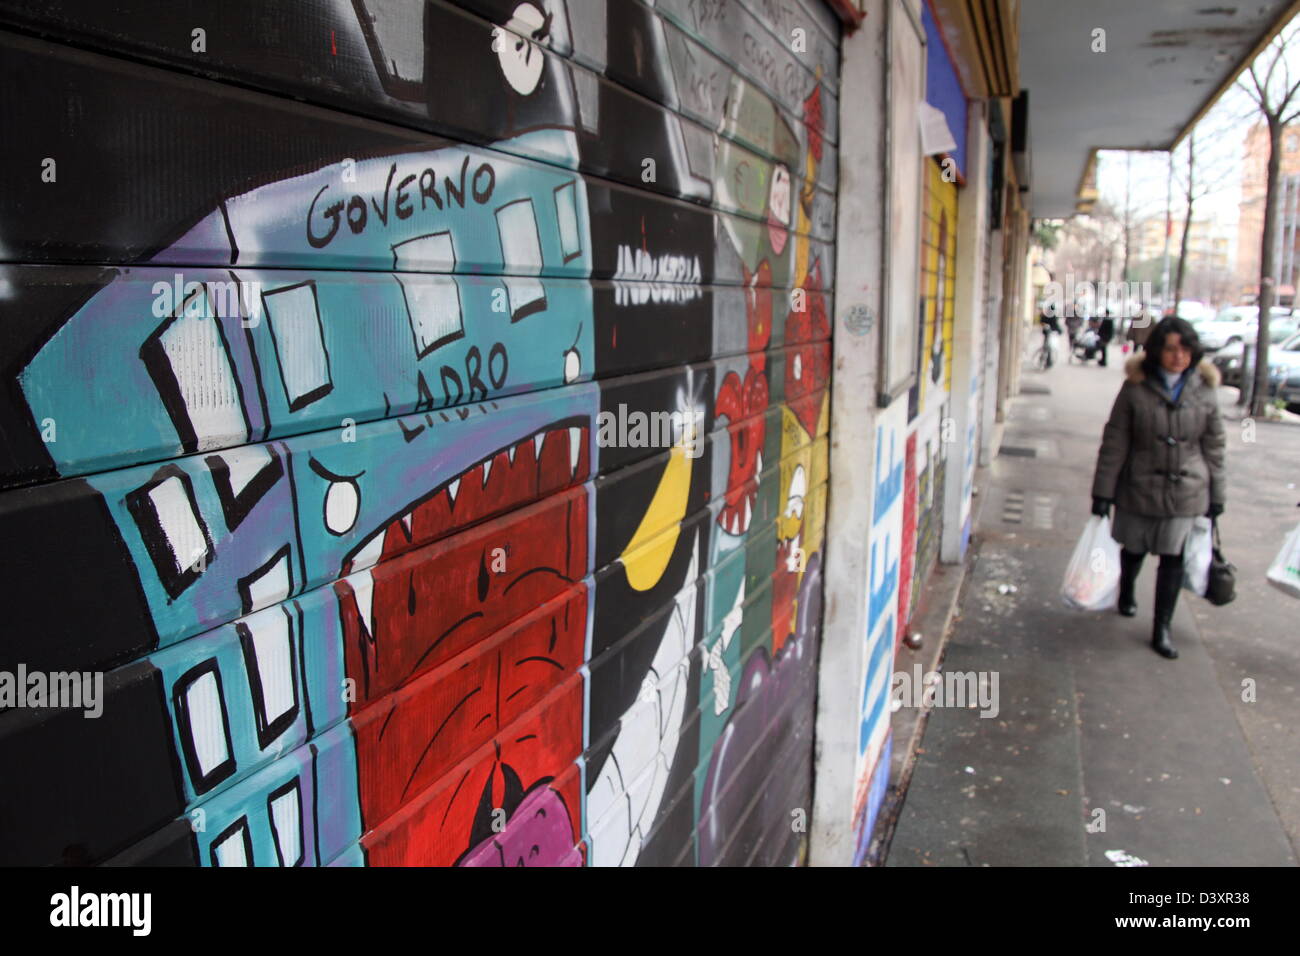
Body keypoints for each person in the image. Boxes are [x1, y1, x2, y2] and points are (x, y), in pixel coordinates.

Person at [1090, 316, 1226, 659]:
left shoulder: (1205, 390)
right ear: (1156, 351)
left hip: (1187, 491)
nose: (1178, 356)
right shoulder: (1135, 387)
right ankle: (1127, 589)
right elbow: (1115, 441)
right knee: (1133, 548)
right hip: (1139, 486)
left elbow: (1215, 447)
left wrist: (1218, 496)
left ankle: (1161, 627)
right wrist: (1102, 491)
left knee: (1173, 558)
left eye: (1185, 349)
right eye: (1170, 349)